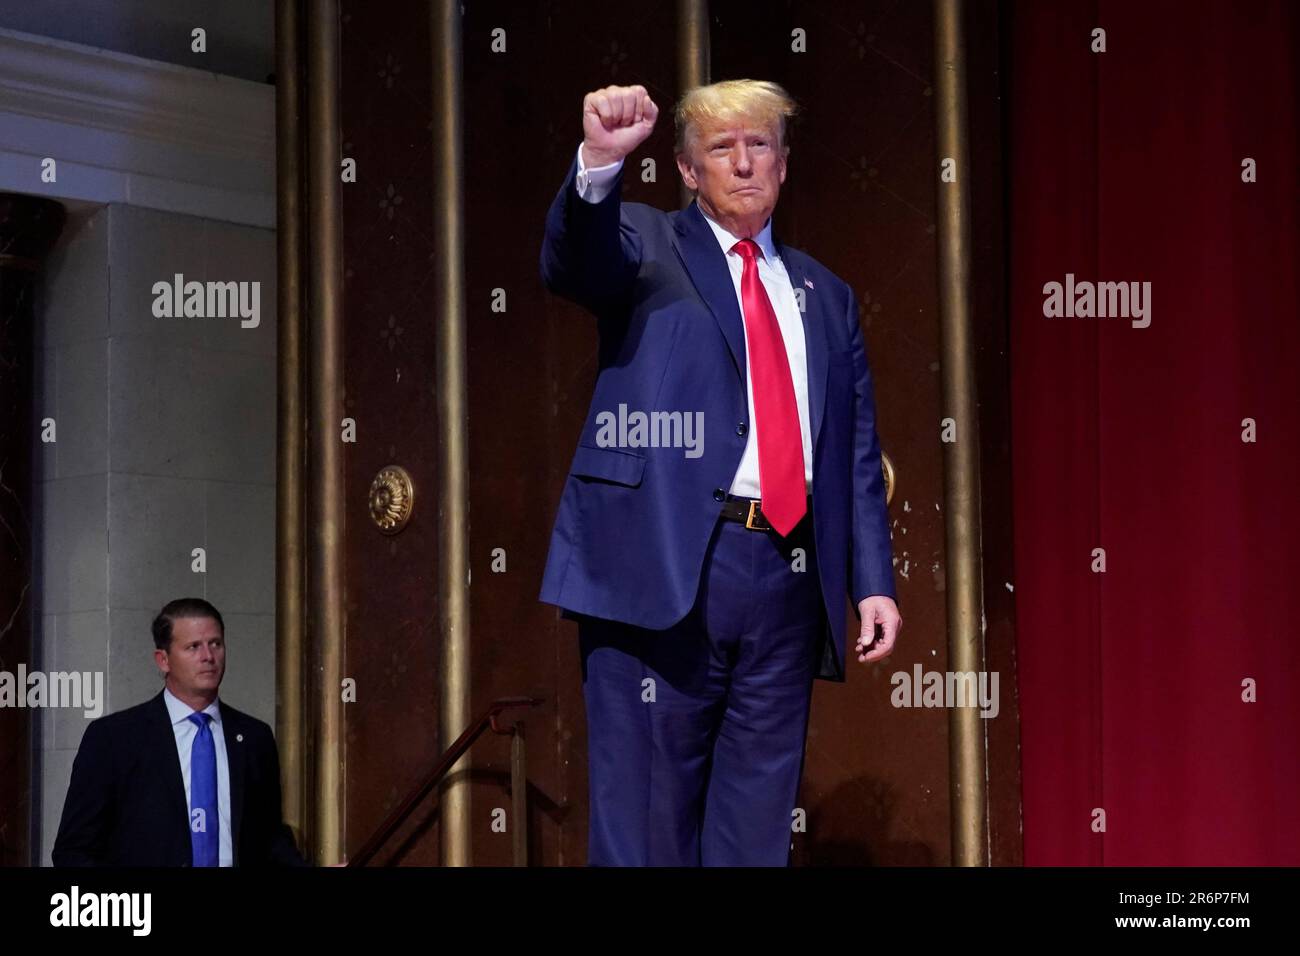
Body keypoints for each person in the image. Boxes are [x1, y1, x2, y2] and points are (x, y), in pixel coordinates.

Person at [538, 79, 902, 866]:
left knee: (754, 831)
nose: (743, 163)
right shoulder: (644, 243)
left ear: (784, 162)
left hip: (784, 575)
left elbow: (853, 453)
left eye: (760, 144)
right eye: (720, 148)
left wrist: (871, 580)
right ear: (687, 169)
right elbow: (578, 259)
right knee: (645, 828)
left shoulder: (827, 296)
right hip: (661, 569)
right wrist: (599, 162)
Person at [52, 598, 307, 866]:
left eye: (215, 644)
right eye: (193, 647)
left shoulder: (254, 737)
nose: (208, 656)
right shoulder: (114, 738)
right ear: (163, 660)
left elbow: (269, 838)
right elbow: (74, 850)